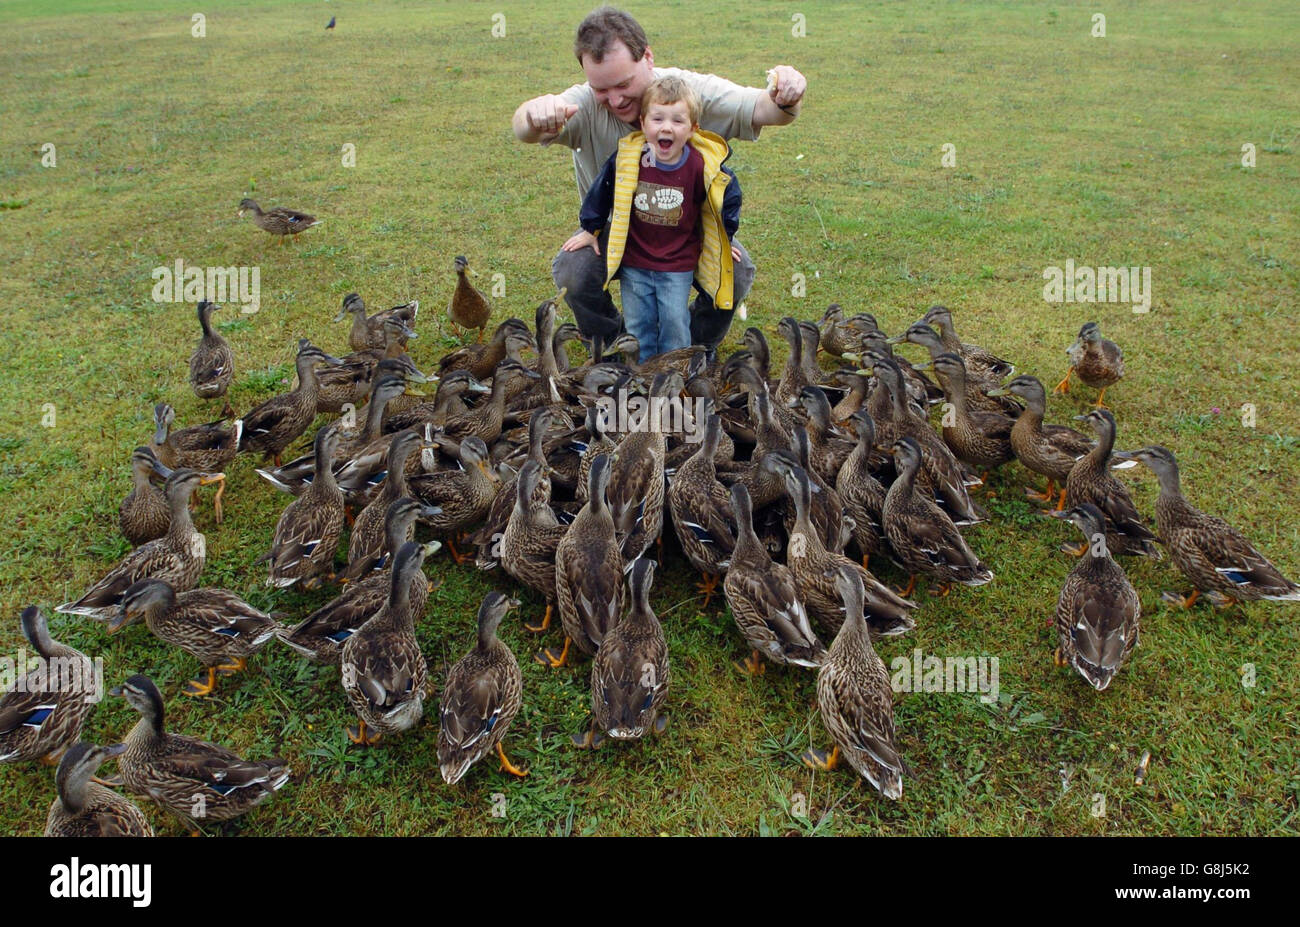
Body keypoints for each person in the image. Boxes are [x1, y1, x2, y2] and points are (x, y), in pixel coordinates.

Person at [513, 5, 807, 349]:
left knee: (737, 272)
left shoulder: (687, 93)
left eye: (624, 84)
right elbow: (523, 129)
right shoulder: (583, 104)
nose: (616, 99)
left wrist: (788, 95)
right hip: (619, 232)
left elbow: (766, 109)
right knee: (573, 271)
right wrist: (533, 115)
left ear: (647, 58)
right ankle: (611, 344)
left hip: (688, 232)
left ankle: (694, 348)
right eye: (602, 89)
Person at [563, 77, 741, 362]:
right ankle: (643, 377)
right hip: (636, 263)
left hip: (677, 265)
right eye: (657, 119)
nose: (666, 127)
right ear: (643, 123)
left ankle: (675, 375)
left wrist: (725, 238)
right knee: (639, 327)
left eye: (677, 121)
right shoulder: (629, 160)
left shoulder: (700, 165)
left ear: (693, 128)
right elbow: (602, 190)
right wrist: (590, 228)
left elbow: (727, 197)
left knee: (674, 324)